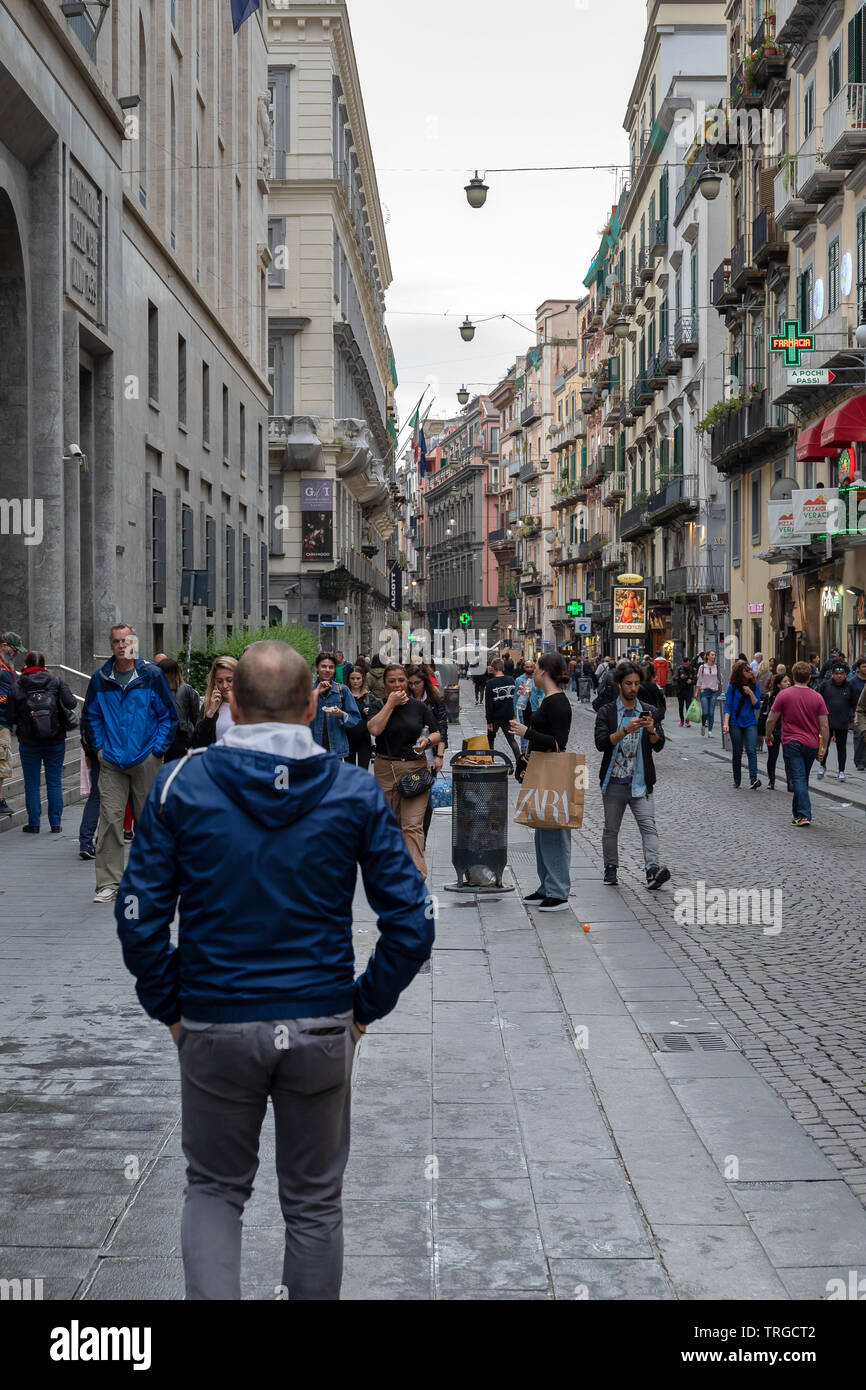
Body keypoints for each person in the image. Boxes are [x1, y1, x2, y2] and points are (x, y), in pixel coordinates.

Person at [115, 641, 433, 1301]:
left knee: (213, 1191)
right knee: (314, 1203)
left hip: (215, 1017)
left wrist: (171, 1008)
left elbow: (139, 915)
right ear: (314, 703)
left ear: (229, 699)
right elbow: (412, 920)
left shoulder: (180, 784)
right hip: (318, 1019)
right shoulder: (350, 790)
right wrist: (361, 1010)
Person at [82, 623, 177, 902]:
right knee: (110, 820)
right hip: (111, 760)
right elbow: (91, 716)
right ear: (110, 646)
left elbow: (168, 717)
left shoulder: (152, 675)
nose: (121, 646)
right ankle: (109, 883)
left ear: (134, 643)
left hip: (145, 757)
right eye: (116, 641)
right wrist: (100, 747)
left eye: (126, 640)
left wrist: (156, 750)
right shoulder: (100, 678)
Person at [594, 660, 670, 891]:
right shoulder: (607, 712)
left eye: (637, 684)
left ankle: (652, 871)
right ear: (619, 684)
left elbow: (658, 745)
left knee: (649, 827)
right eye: (628, 684)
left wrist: (651, 730)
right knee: (611, 828)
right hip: (614, 781)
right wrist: (625, 729)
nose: (633, 688)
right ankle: (611, 869)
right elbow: (601, 744)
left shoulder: (648, 711)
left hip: (640, 782)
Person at [509, 652, 574, 911]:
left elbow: (559, 742)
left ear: (544, 671)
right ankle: (546, 885)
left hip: (552, 772)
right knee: (542, 832)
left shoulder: (558, 702)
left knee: (555, 832)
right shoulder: (546, 699)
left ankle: (558, 891)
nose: (532, 672)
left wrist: (527, 732)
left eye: (535, 668)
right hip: (540, 769)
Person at [367, 665, 440, 878]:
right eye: (392, 681)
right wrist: (390, 704)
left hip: (414, 770)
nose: (397, 685)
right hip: (385, 769)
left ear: (407, 681)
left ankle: (417, 874)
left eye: (401, 680)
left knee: (412, 825)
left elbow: (436, 733)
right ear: (385, 684)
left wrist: (426, 741)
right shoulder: (377, 706)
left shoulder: (419, 707)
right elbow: (374, 729)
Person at [6, 650, 78, 833]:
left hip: (29, 742)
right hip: (55, 739)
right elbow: (71, 703)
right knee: (54, 781)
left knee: (31, 782)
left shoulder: (18, 685)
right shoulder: (55, 681)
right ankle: (55, 823)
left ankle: (34, 823)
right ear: (44, 665)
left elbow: (10, 715)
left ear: (26, 665)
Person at [764, 661, 830, 827]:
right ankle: (797, 812)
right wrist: (824, 747)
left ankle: (804, 814)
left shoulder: (784, 695)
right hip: (811, 743)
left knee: (798, 778)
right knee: (802, 777)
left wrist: (768, 735)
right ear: (809, 677)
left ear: (793, 677)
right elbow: (825, 725)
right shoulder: (817, 697)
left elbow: (771, 718)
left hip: (792, 741)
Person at [406, 666, 447, 847]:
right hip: (407, 755)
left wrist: (440, 755)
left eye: (418, 683)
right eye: (411, 683)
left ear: (425, 682)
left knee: (426, 802)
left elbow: (442, 729)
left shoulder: (435, 700)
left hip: (429, 757)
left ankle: (421, 840)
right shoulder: (404, 699)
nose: (414, 686)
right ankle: (412, 838)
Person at [310, 652, 361, 758]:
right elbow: (295, 715)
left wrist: (341, 715)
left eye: (331, 667)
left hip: (336, 750)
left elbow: (355, 718)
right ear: (317, 668)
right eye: (323, 666)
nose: (327, 670)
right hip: (311, 750)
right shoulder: (307, 691)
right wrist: (315, 693)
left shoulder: (342, 690)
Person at [817, 661, 858, 782]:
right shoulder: (825, 685)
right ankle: (822, 766)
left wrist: (853, 717)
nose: (839, 676)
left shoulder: (849, 686)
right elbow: (819, 702)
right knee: (825, 746)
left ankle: (841, 771)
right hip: (827, 722)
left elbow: (854, 704)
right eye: (836, 673)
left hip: (842, 722)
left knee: (842, 748)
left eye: (842, 673)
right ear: (832, 674)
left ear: (846, 674)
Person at [723, 662, 762, 790]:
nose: (751, 672)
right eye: (747, 670)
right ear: (741, 673)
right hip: (735, 723)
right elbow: (728, 706)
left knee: (751, 750)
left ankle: (753, 778)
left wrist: (750, 692)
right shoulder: (732, 687)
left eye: (750, 670)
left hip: (750, 722)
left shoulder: (754, 685)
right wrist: (725, 723)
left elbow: (756, 705)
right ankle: (737, 779)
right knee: (738, 751)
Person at [158, 659, 201, 763]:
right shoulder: (186, 689)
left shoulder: (185, 689)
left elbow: (195, 715)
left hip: (176, 735)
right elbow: (195, 715)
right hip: (180, 735)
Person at [0, 631, 23, 819]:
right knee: (1, 764)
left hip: (4, 722)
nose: (15, 653)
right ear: (4, 646)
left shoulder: (8, 669)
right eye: (14, 650)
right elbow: (3, 697)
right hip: (1, 723)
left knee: (3, 764)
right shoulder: (2, 670)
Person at [192, 657, 239, 748]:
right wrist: (210, 714)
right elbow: (197, 744)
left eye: (229, 680)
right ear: (214, 682)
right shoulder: (209, 706)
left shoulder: (250, 704)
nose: (225, 686)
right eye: (220, 681)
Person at [759, 672, 791, 790]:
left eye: (789, 681)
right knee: (772, 757)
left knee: (789, 757)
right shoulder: (771, 697)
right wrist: (765, 732)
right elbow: (765, 716)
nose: (788, 683)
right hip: (774, 730)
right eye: (785, 681)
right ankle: (771, 780)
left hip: (788, 731)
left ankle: (790, 782)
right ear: (778, 684)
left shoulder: (791, 696)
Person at [485, 657, 521, 762]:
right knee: (512, 741)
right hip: (508, 716)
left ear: (493, 668)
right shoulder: (510, 680)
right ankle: (519, 762)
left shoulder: (490, 683)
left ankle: (490, 761)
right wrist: (514, 711)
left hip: (495, 717)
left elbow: (489, 704)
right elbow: (513, 699)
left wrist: (489, 721)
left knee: (490, 740)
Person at [345, 668, 380, 770]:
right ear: (348, 679)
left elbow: (375, 718)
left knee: (363, 770)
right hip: (347, 738)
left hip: (364, 739)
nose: (355, 681)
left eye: (358, 678)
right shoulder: (344, 696)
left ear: (363, 679)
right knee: (349, 771)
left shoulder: (369, 697)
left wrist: (370, 712)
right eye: (352, 678)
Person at [695, 650, 721, 737]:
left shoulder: (717, 667)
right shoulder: (702, 667)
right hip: (704, 692)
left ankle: (710, 731)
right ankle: (703, 725)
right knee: (705, 712)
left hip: (713, 692)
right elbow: (699, 680)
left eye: (715, 655)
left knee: (711, 712)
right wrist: (696, 692)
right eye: (712, 655)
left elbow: (719, 680)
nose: (714, 656)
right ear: (708, 656)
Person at [849, 657, 866, 771]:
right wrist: (851, 716)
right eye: (864, 666)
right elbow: (849, 700)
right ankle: (859, 761)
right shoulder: (853, 682)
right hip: (858, 713)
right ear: (859, 668)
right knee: (859, 738)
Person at [675, 662, 695, 727]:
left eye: (687, 664)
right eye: (684, 664)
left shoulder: (692, 670)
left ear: (689, 663)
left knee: (688, 706)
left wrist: (691, 681)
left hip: (689, 691)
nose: (686, 665)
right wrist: (680, 677)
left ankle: (687, 721)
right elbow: (674, 678)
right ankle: (681, 721)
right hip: (680, 691)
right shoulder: (679, 669)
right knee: (681, 707)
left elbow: (696, 680)